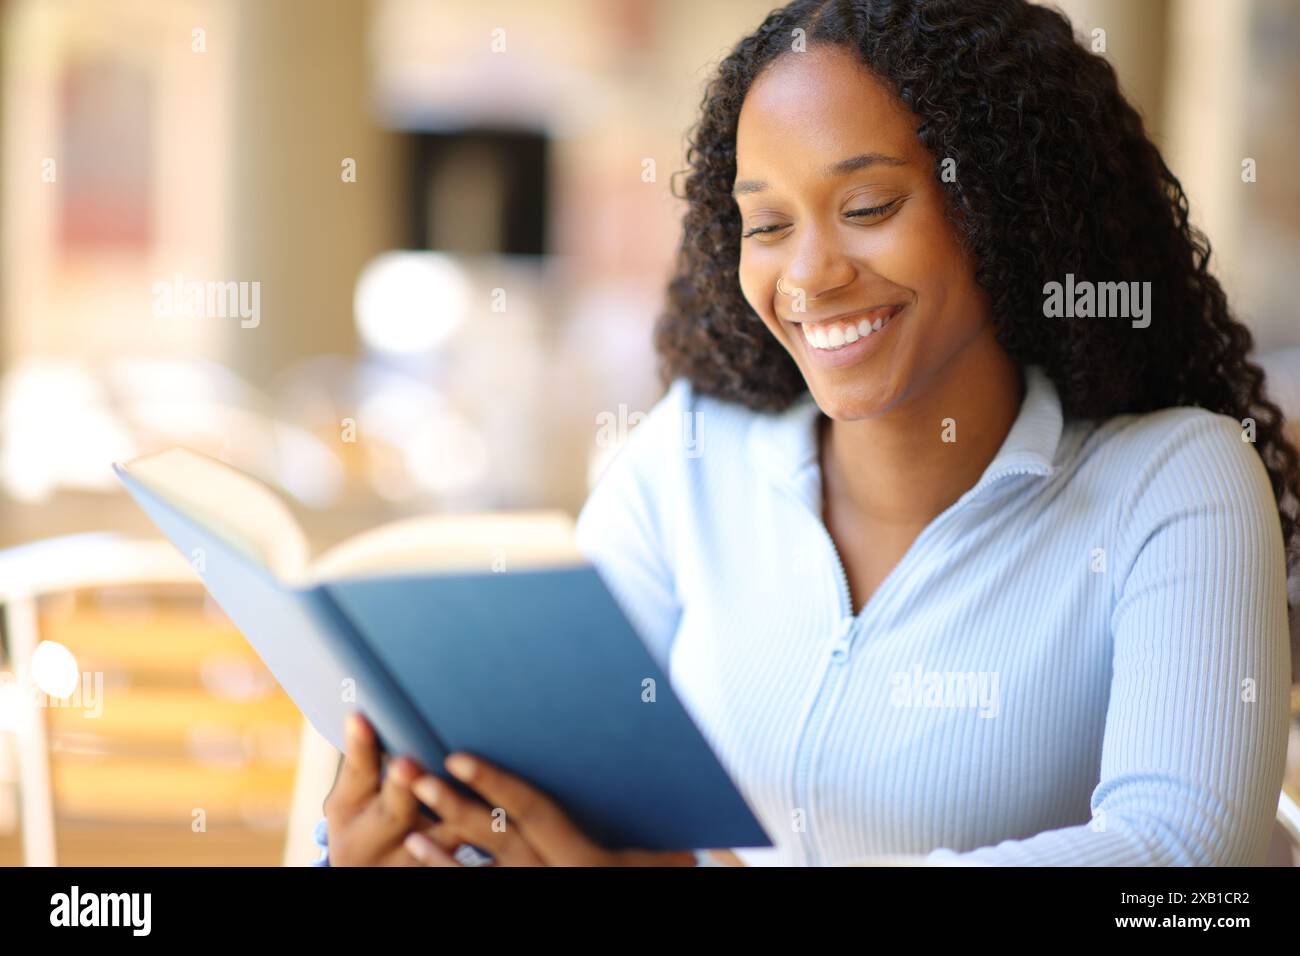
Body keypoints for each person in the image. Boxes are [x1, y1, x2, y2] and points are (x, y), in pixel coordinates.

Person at [318, 0, 1298, 866]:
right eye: (767, 223)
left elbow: (1179, 862)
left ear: (1004, 207)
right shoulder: (688, 456)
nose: (811, 275)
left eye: (867, 206)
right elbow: (562, 784)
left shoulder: (1174, 479)